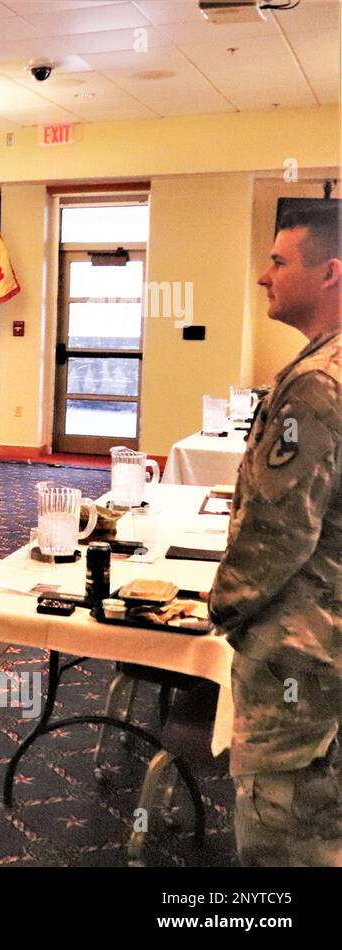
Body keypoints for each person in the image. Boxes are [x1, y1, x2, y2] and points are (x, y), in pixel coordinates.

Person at [208, 205, 342, 865]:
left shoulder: (317, 385)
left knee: (286, 841)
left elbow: (279, 535)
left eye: (279, 261)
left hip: (304, 657)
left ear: (330, 273)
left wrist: (220, 609)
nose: (264, 276)